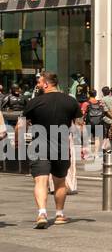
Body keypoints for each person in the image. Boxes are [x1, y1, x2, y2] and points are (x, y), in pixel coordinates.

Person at [21, 72, 82, 229]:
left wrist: (17, 141)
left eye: (40, 82)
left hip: (38, 146)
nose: (38, 85)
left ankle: (42, 213)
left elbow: (21, 125)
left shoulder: (34, 102)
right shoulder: (71, 101)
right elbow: (79, 125)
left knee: (41, 181)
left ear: (46, 84)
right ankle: (59, 214)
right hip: (61, 147)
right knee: (60, 182)